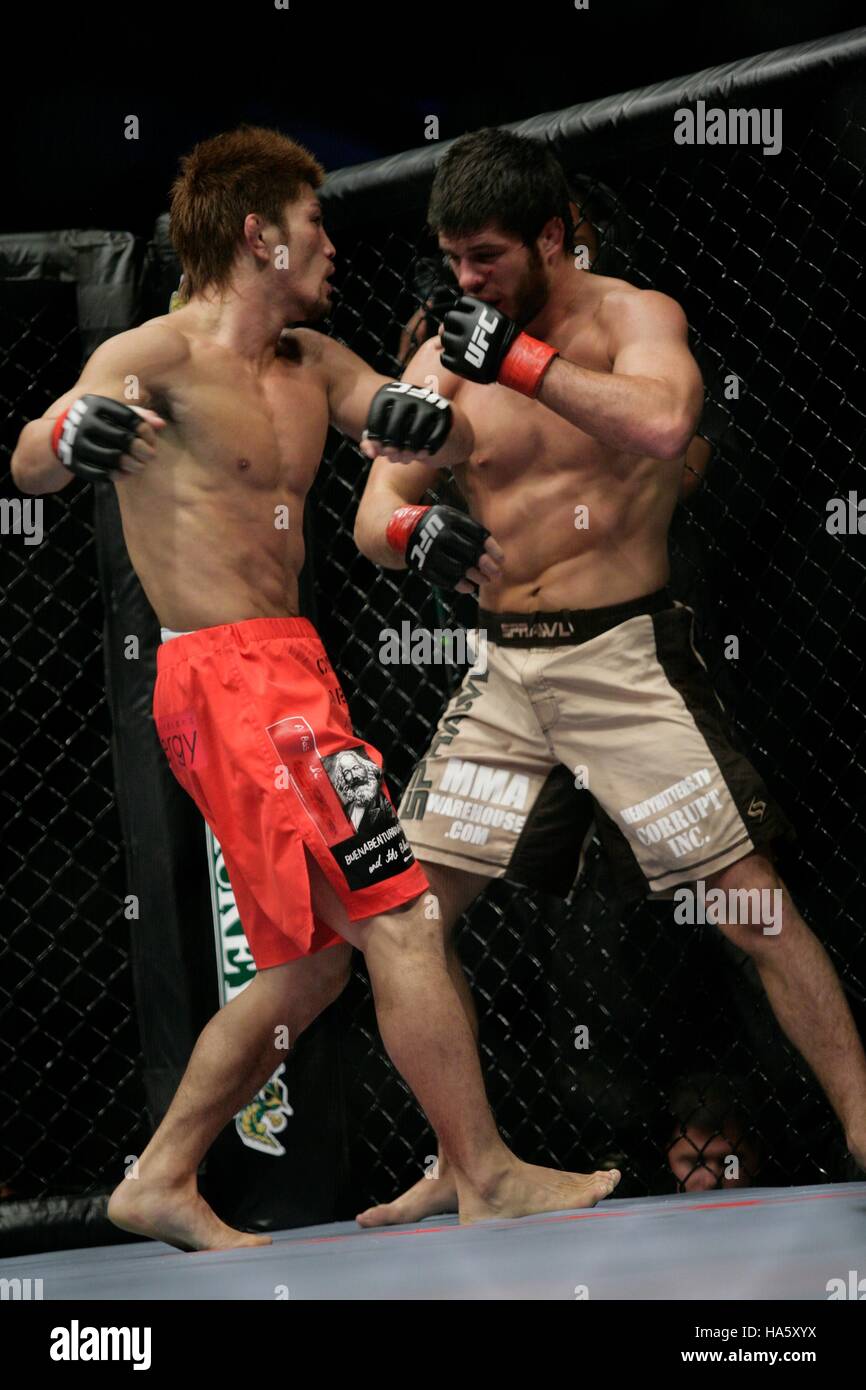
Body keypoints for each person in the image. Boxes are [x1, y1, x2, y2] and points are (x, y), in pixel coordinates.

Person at [10, 125, 621, 1250]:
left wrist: (432, 419)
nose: (332, 246)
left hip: (289, 672)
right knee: (398, 913)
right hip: (228, 677)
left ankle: (158, 1176)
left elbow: (406, 420)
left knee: (310, 965)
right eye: (314, 224)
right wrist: (65, 429)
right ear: (258, 235)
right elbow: (29, 462)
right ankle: (483, 1170)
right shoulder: (153, 355)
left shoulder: (313, 362)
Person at [353, 126, 866, 1225]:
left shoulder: (636, 318)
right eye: (451, 261)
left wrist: (520, 358)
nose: (466, 282)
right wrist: (416, 536)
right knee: (410, 918)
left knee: (746, 907)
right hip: (502, 681)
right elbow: (370, 518)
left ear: (551, 236)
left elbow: (662, 420)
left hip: (622, 665)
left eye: (485, 256)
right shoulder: (438, 352)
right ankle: (467, 1161)